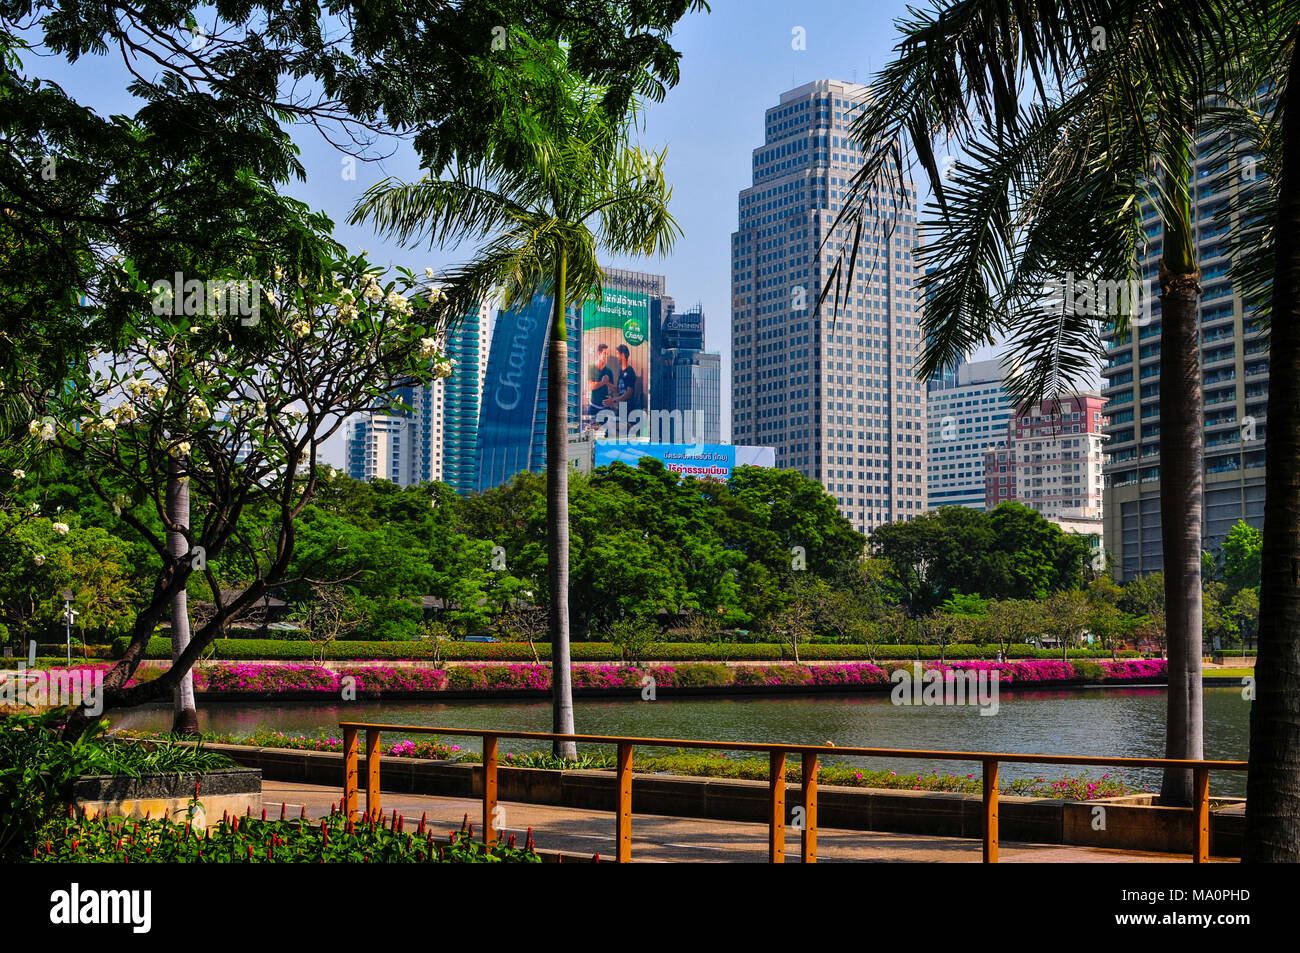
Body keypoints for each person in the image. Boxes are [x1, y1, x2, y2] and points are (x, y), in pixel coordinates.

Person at [604, 343, 641, 411]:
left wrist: (614, 400)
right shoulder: (621, 371)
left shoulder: (630, 371)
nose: (617, 356)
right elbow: (618, 389)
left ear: (623, 355)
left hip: (628, 409)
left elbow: (629, 393)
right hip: (621, 407)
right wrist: (606, 383)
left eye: (618, 354)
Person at [587, 343, 614, 418]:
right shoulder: (591, 367)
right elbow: (591, 386)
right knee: (591, 429)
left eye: (607, 354)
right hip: (594, 407)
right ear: (599, 353)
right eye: (605, 353)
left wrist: (608, 383)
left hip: (606, 408)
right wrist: (603, 382)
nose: (606, 356)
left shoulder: (609, 371)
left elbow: (615, 390)